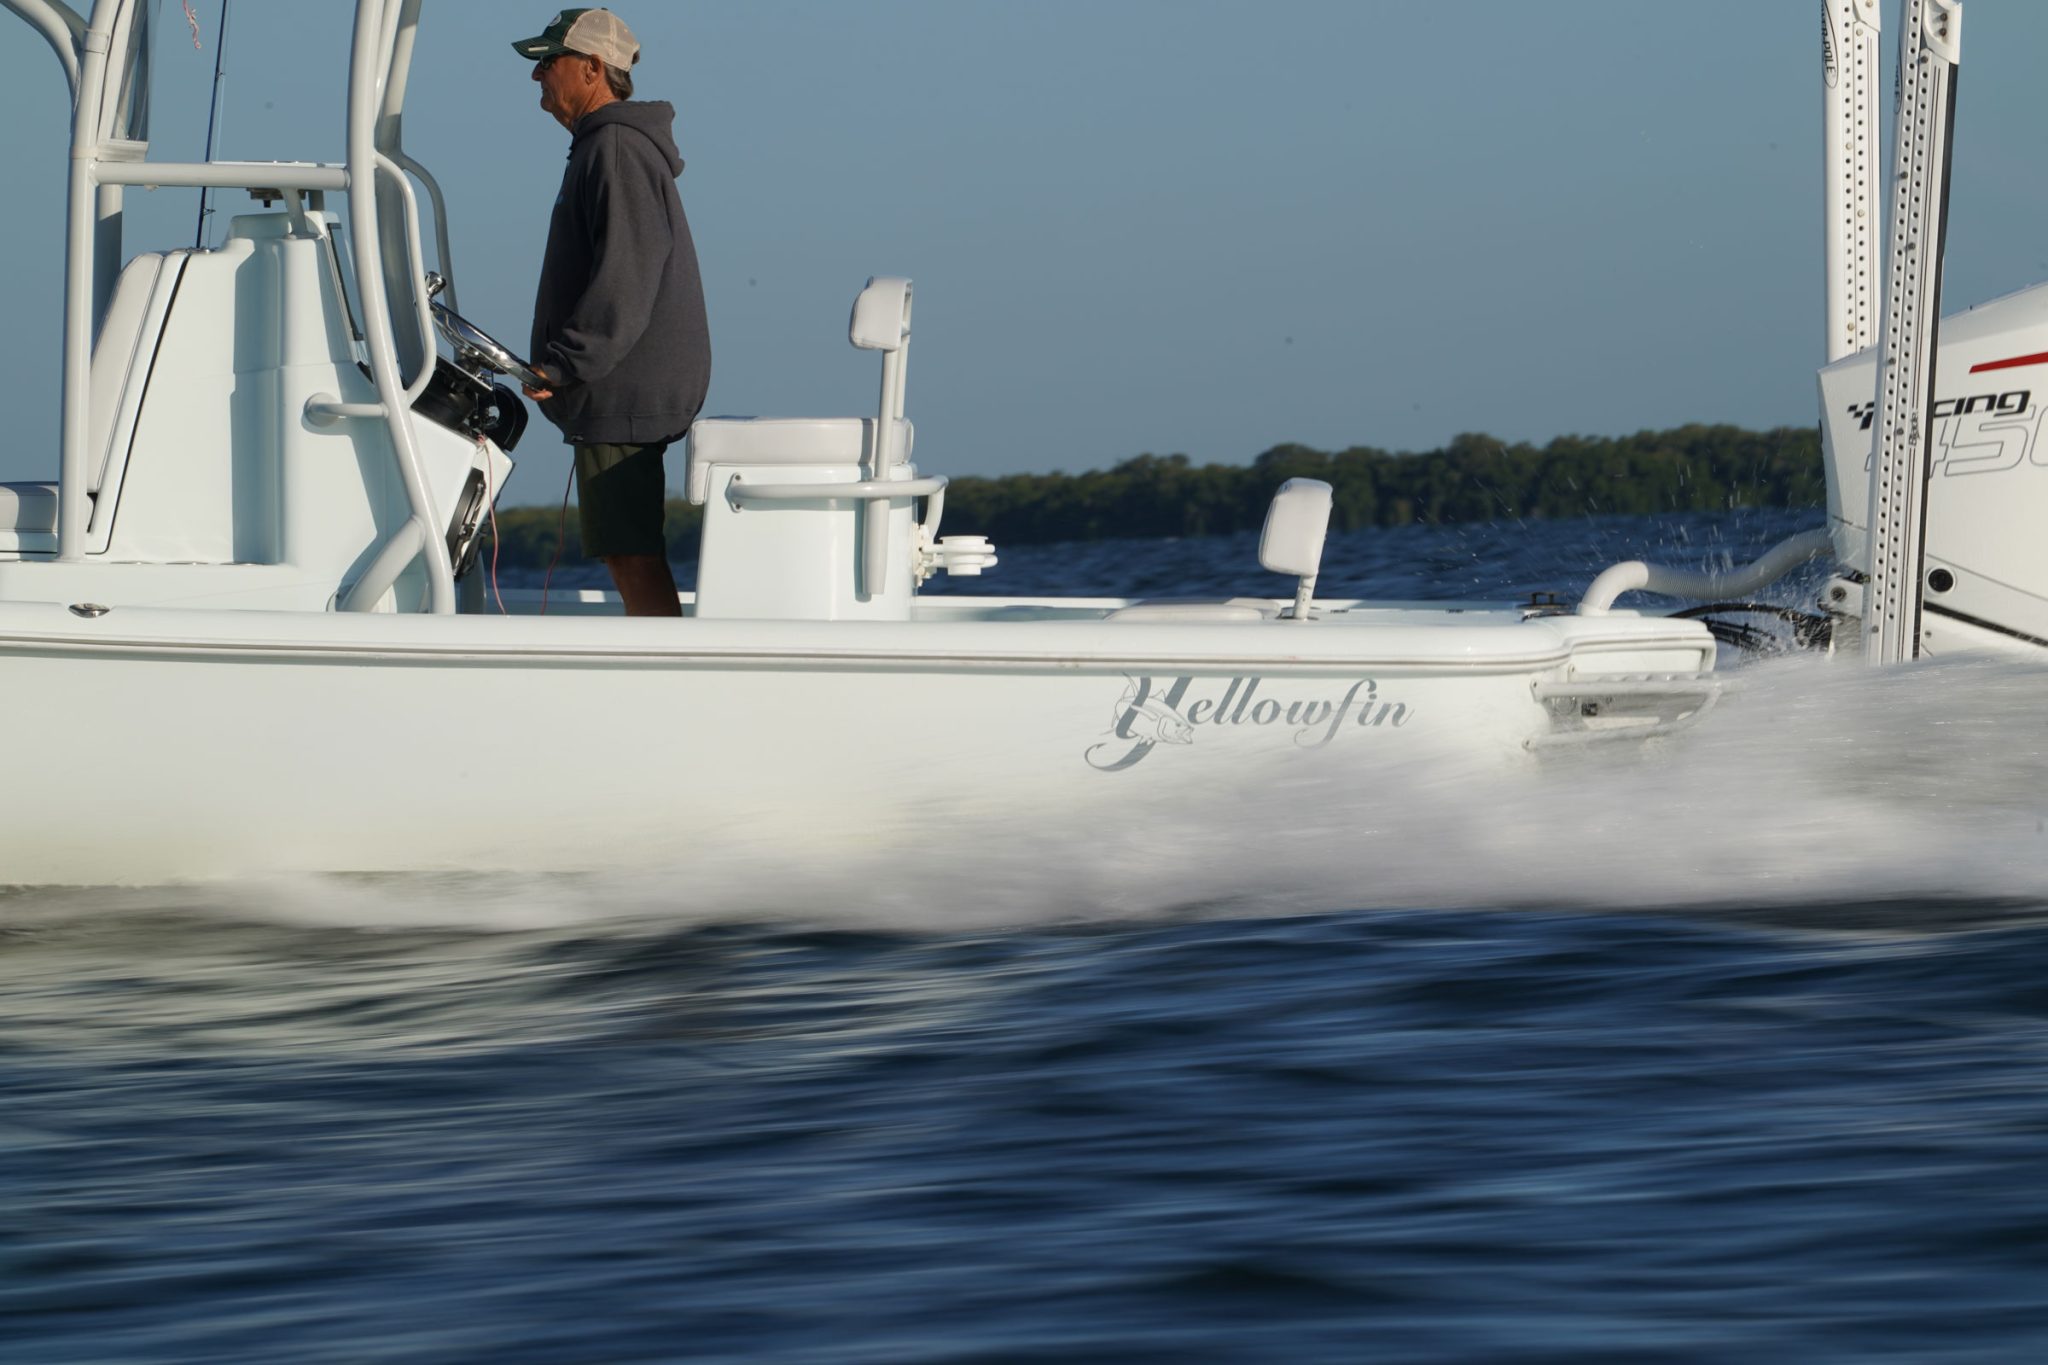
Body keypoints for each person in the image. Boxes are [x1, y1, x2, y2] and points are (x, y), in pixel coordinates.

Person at [514, 8, 711, 616]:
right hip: (621, 385)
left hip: (623, 391)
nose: (537, 76)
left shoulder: (616, 148)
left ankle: (665, 681)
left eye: (549, 62)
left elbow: (625, 276)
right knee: (628, 548)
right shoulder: (605, 147)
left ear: (592, 68)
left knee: (630, 551)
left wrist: (565, 365)